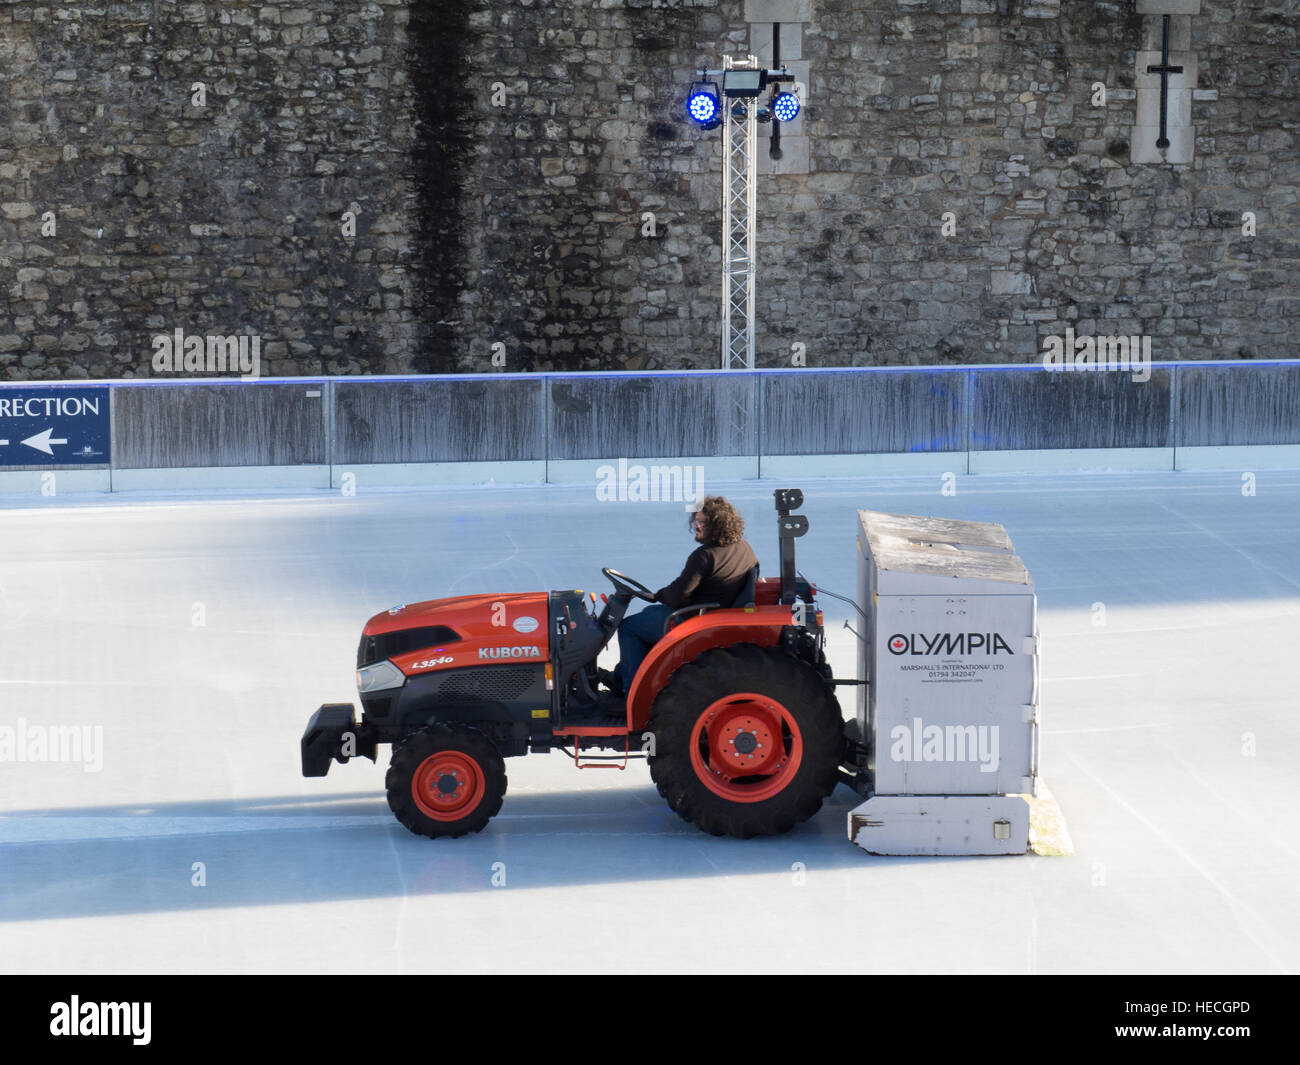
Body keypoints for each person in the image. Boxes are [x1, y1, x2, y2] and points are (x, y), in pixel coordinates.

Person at [611, 495, 758, 695]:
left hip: (692, 620)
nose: (696, 526)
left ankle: (631, 692)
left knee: (629, 627)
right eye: (695, 520)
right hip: (715, 612)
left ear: (717, 525)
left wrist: (658, 595)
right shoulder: (744, 548)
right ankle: (620, 675)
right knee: (649, 613)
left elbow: (677, 596)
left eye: (702, 522)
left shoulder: (705, 556)